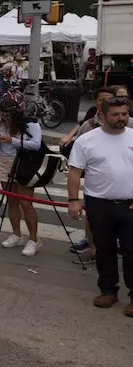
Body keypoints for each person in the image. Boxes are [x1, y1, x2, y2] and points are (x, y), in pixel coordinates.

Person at [67, 96, 133, 316]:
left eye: (124, 114)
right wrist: (73, 200)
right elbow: (75, 172)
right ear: (102, 116)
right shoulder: (86, 141)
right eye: (115, 115)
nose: (121, 118)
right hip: (99, 205)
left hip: (130, 206)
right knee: (103, 250)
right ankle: (108, 291)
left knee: (132, 251)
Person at [0, 97, 43, 256]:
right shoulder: (0, 123)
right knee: (11, 201)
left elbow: (36, 144)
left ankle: (34, 239)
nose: (3, 119)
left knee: (26, 203)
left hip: (24, 163)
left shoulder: (30, 124)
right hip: (5, 161)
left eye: (6, 116)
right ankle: (17, 234)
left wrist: (12, 140)